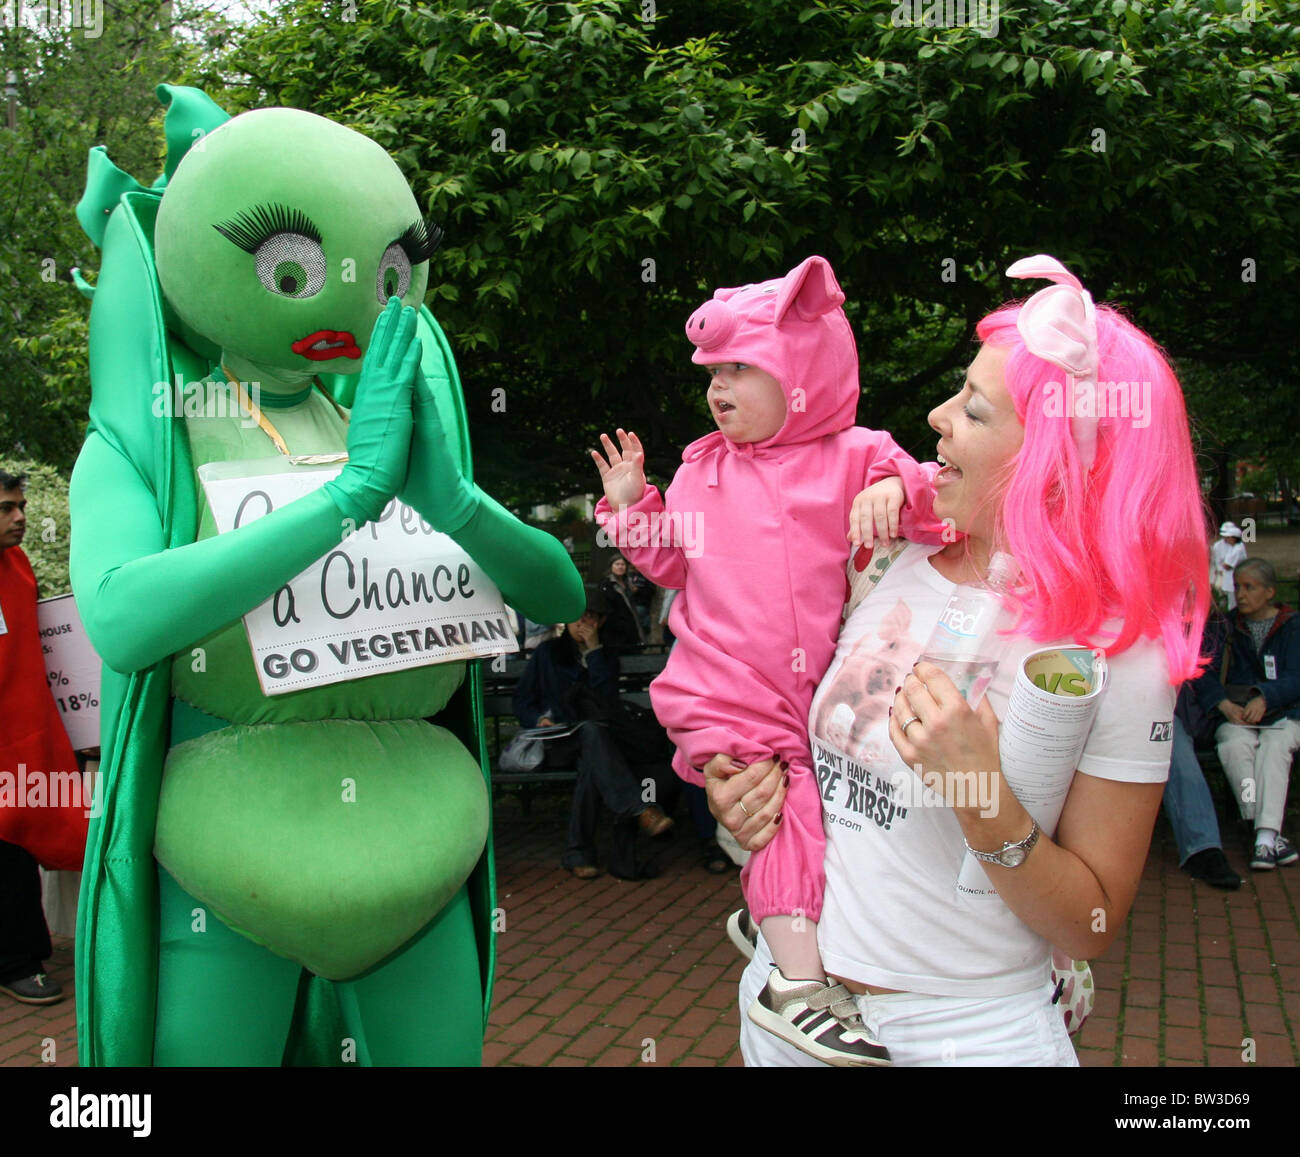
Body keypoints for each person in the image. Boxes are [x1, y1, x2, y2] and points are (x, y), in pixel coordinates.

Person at [67, 90, 583, 1065]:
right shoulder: (152, 434)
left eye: (390, 271)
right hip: (230, 853)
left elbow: (557, 596)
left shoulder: (380, 421)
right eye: (290, 265)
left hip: (420, 849)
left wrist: (458, 502)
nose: (349, 294)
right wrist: (344, 500)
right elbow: (123, 615)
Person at [706, 254, 1209, 1067]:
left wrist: (980, 791)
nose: (937, 417)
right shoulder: (886, 560)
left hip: (965, 1035)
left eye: (973, 410)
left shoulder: (1118, 647)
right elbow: (814, 761)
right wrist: (744, 794)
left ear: (1055, 455)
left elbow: (1093, 921)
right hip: (797, 1012)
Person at [593, 255, 940, 1065]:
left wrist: (900, 493)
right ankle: (796, 983)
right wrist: (632, 507)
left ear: (806, 371)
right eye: (713, 372)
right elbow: (675, 564)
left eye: (742, 368)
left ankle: (775, 916)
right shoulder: (704, 468)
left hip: (815, 692)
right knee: (783, 813)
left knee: (822, 819)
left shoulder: (859, 453)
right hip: (724, 683)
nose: (719, 388)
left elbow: (936, 507)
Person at [512, 585, 673, 880]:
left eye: (590, 619)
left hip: (600, 744)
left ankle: (578, 853)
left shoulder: (605, 657)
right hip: (560, 741)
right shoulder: (548, 654)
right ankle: (639, 809)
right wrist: (537, 720)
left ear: (600, 623)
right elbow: (522, 700)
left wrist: (595, 652)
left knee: (592, 758)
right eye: (577, 617)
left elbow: (607, 702)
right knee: (590, 738)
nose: (583, 624)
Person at [0, 471, 88, 1005]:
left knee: (14, 847)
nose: (21, 518)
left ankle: (19, 956)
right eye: (8, 508)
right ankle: (16, 961)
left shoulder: (18, 567)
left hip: (23, 738)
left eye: (23, 506)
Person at [1198, 559, 1300, 870]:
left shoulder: (1292, 627)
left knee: (1274, 749)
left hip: (1285, 714)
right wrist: (1224, 705)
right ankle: (1263, 830)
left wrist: (1266, 697)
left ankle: (1265, 836)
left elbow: (1297, 677)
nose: (1240, 594)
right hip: (1237, 715)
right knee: (1233, 746)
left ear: (1269, 592)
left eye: (1249, 587)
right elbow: (1203, 672)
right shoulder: (1225, 626)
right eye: (1238, 586)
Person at [598, 554, 645, 653]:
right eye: (617, 564)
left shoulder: (628, 584)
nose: (620, 567)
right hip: (616, 633)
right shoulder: (606, 585)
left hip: (631, 628)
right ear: (611, 566)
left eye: (622, 564)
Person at [1210, 522, 1248, 611]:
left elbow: (1227, 565)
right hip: (1227, 577)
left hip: (1233, 578)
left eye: (1228, 537)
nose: (1226, 539)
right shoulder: (1220, 545)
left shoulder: (1237, 549)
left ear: (1234, 538)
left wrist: (1224, 565)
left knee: (1233, 602)